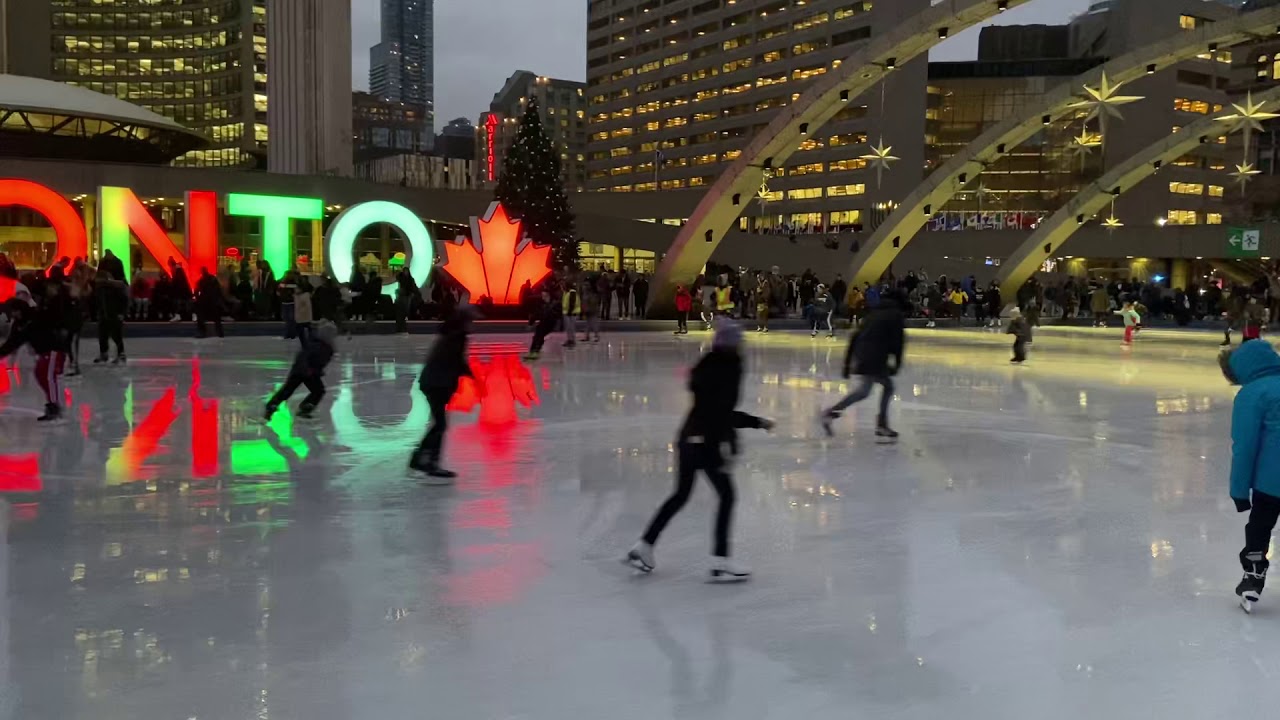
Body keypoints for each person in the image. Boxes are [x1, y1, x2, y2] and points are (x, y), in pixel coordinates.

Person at [625, 320, 774, 581]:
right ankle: (721, 559)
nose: (742, 345)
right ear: (731, 344)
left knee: (680, 496)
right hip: (706, 442)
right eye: (739, 341)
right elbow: (720, 413)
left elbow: (713, 410)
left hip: (688, 439)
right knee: (727, 496)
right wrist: (731, 445)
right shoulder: (729, 368)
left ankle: (645, 545)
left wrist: (755, 422)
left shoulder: (708, 364)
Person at [1221, 340, 1280, 613]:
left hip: (1271, 482)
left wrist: (1239, 491)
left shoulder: (1251, 394)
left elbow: (1244, 446)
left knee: (1259, 528)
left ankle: (1253, 576)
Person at [820, 291, 905, 442]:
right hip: (876, 358)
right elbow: (898, 341)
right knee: (867, 391)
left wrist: (847, 363)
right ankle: (831, 414)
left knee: (871, 390)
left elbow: (854, 336)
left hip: (864, 355)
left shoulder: (873, 314)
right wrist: (897, 362)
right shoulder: (896, 315)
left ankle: (833, 414)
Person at [412, 308, 477, 480]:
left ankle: (419, 458)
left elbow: (454, 360)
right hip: (437, 384)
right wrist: (469, 375)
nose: (473, 325)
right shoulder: (456, 337)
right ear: (463, 322)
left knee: (439, 424)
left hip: (433, 383)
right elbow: (454, 360)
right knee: (440, 424)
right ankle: (430, 463)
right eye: (471, 321)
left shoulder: (450, 334)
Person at [0, 287, 72, 422]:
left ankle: (54, 406)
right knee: (41, 374)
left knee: (48, 376)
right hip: (44, 353)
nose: (13, 315)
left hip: (54, 350)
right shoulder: (19, 325)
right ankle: (53, 403)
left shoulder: (37, 315)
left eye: (14, 311)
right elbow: (12, 343)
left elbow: (56, 316)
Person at [265, 320, 337, 421]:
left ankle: (306, 407)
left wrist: (317, 370)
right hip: (301, 371)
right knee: (288, 390)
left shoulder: (327, 347)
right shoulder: (315, 344)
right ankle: (272, 406)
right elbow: (303, 358)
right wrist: (307, 369)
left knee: (318, 391)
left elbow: (321, 361)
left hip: (310, 372)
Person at [94, 268, 128, 364]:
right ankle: (103, 354)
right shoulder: (99, 289)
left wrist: (121, 313)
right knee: (102, 335)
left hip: (114, 314)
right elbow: (97, 302)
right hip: (103, 315)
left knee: (116, 335)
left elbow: (123, 300)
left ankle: (121, 354)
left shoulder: (116, 288)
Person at [524, 290, 561, 360]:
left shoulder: (555, 304)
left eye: (544, 296)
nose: (543, 298)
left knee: (540, 334)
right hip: (543, 322)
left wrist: (551, 314)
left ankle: (536, 351)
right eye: (542, 296)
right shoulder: (542, 304)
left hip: (550, 323)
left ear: (548, 295)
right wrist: (530, 323)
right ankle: (532, 351)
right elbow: (536, 314)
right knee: (537, 334)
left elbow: (557, 315)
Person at [194, 267, 225, 339]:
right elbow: (218, 290)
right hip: (212, 302)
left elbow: (196, 291)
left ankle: (202, 331)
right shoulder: (212, 279)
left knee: (200, 314)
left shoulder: (201, 281)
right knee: (216, 316)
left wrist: (198, 298)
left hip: (205, 302)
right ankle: (219, 331)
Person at [294, 276, 315, 347]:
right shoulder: (296, 296)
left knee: (307, 331)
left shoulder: (305, 296)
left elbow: (307, 306)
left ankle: (309, 343)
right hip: (299, 317)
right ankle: (305, 344)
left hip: (305, 317)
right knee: (301, 332)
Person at [278, 271, 298, 339]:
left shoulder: (284, 283)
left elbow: (279, 291)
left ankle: (289, 334)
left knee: (288, 320)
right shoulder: (293, 283)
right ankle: (291, 334)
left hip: (287, 303)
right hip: (289, 302)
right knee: (290, 319)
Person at [562, 281, 580, 348]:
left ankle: (572, 341)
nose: (562, 286)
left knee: (571, 328)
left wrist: (569, 312)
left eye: (564, 285)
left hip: (571, 313)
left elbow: (572, 303)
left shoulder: (572, 292)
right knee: (568, 328)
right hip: (567, 313)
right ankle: (569, 340)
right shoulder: (566, 292)